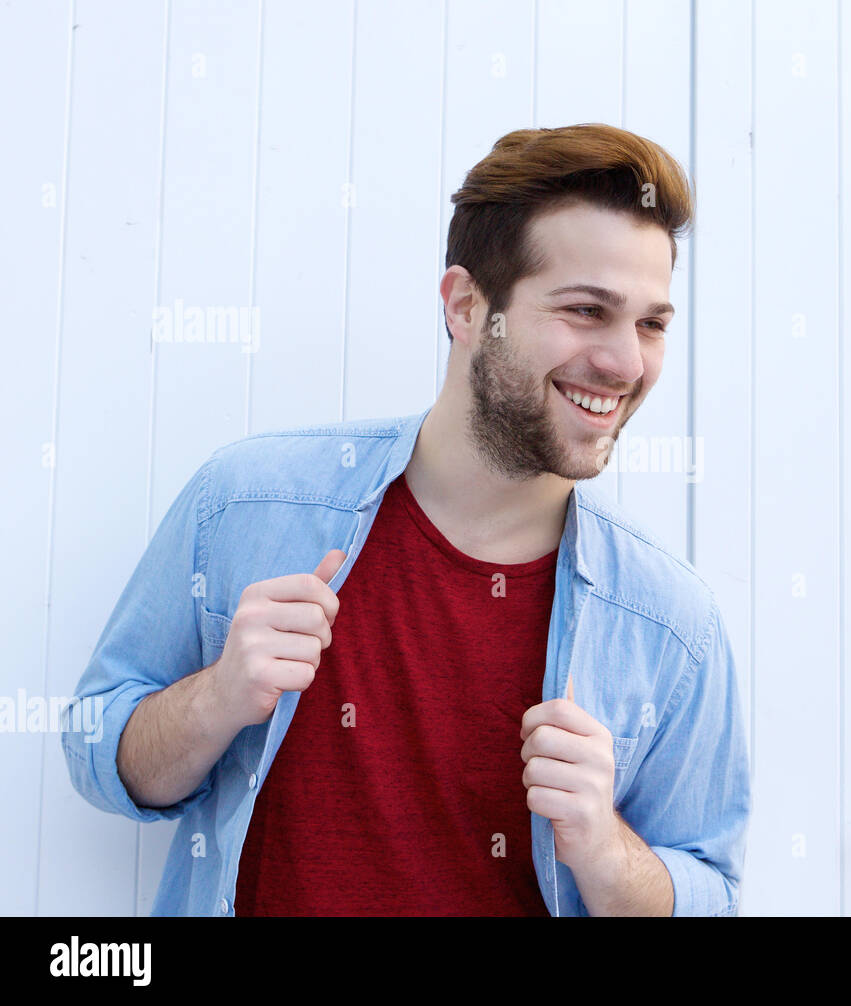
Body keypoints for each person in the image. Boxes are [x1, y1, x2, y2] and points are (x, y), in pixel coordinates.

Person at [60, 123, 752, 917]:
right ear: (466, 305)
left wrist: (604, 848)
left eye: (651, 324)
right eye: (587, 310)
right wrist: (216, 699)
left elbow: (713, 894)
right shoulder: (245, 502)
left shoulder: (672, 624)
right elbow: (93, 747)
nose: (626, 363)